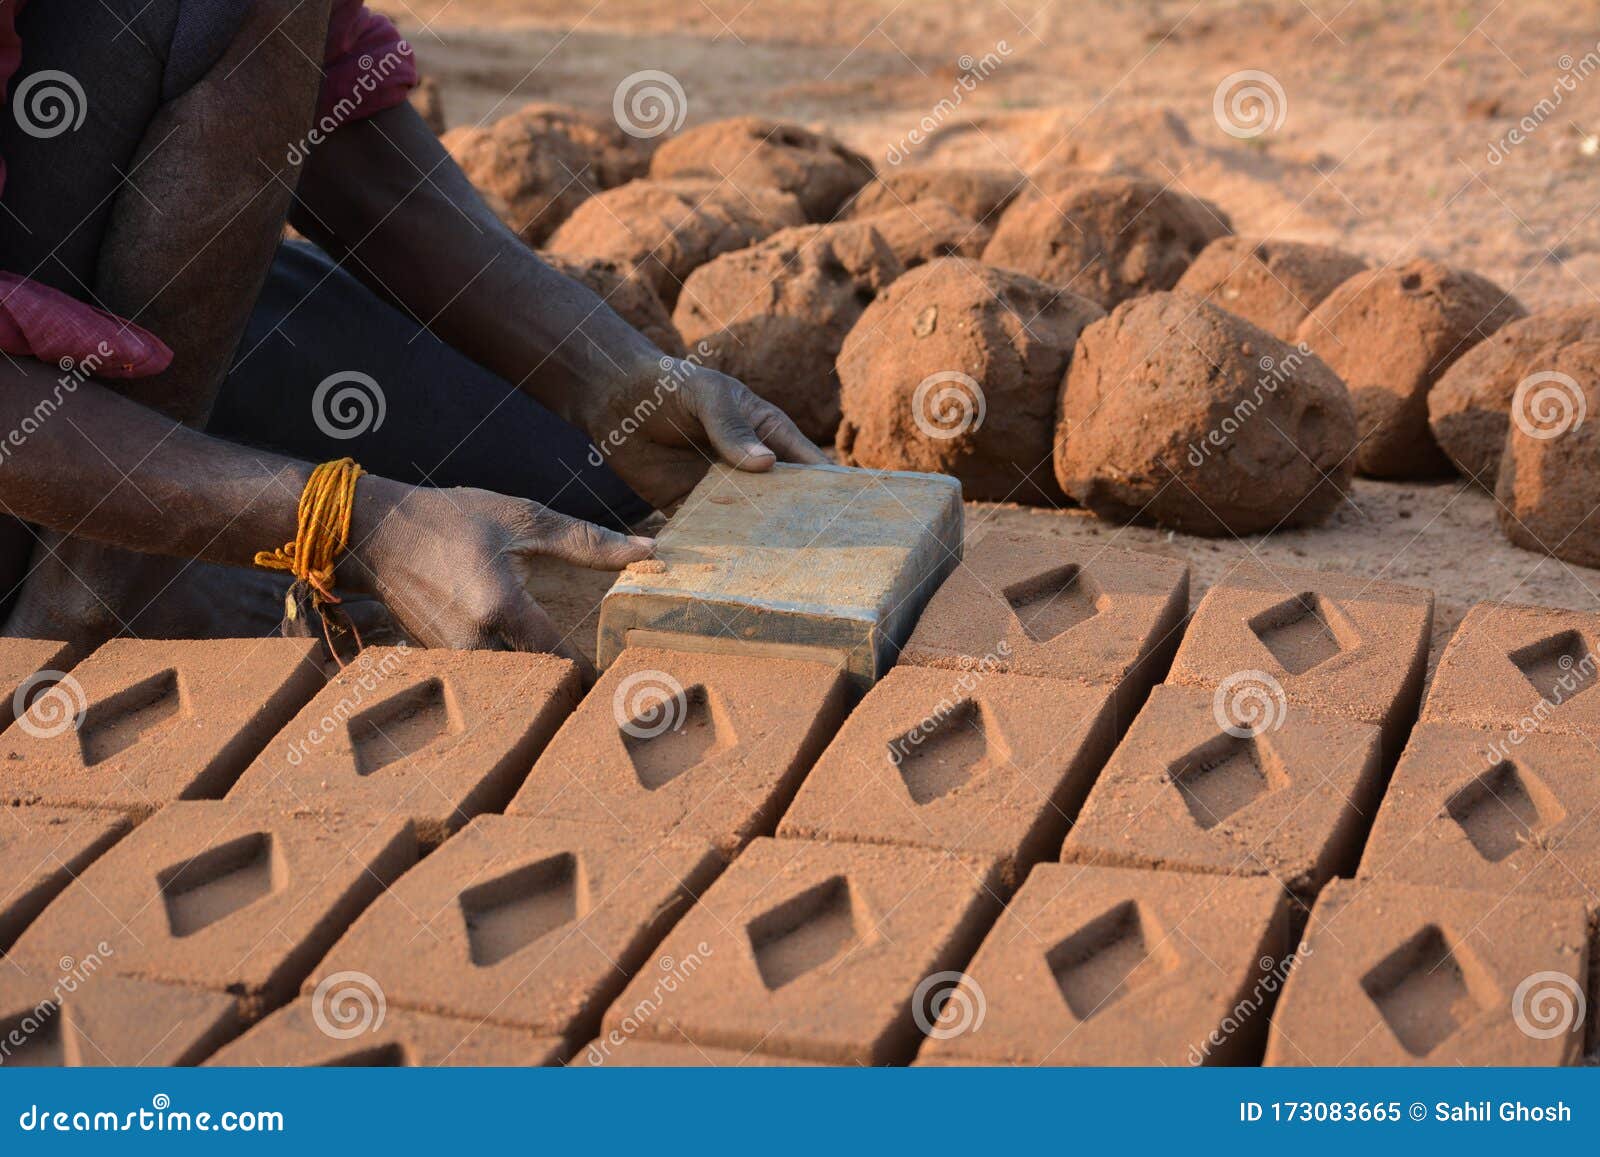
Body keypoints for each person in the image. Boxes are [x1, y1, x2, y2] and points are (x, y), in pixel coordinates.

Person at [0, 0, 822, 660]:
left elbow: (305, 96)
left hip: (103, 315)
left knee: (581, 489)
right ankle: (87, 599)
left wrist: (605, 372)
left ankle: (142, 538)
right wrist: (354, 524)